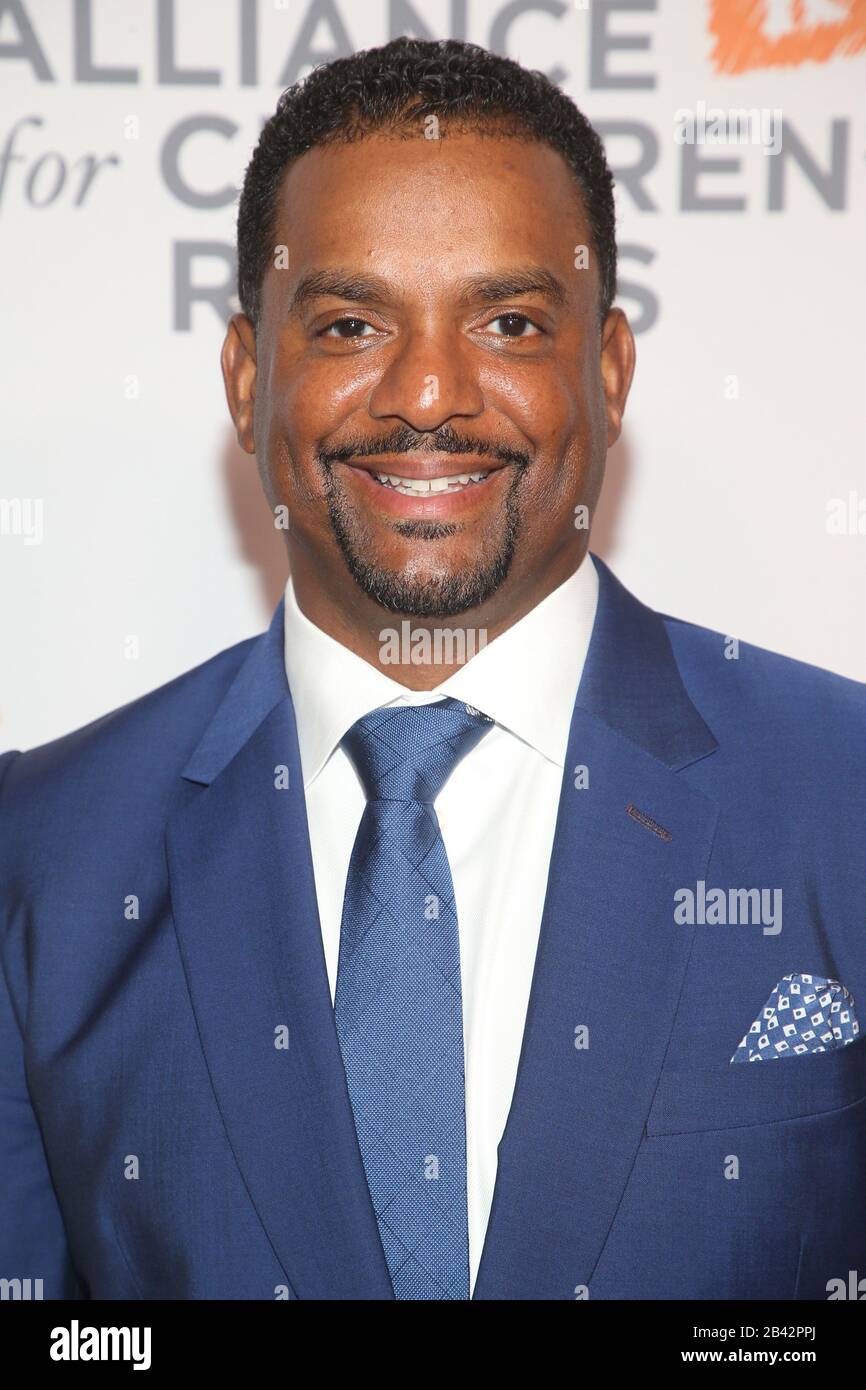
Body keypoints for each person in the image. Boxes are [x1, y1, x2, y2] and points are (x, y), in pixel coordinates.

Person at [2, 36, 864, 1303]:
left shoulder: (838, 793)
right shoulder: (46, 851)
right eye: (351, 322)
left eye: (507, 322)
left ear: (608, 373)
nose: (425, 393)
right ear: (248, 381)